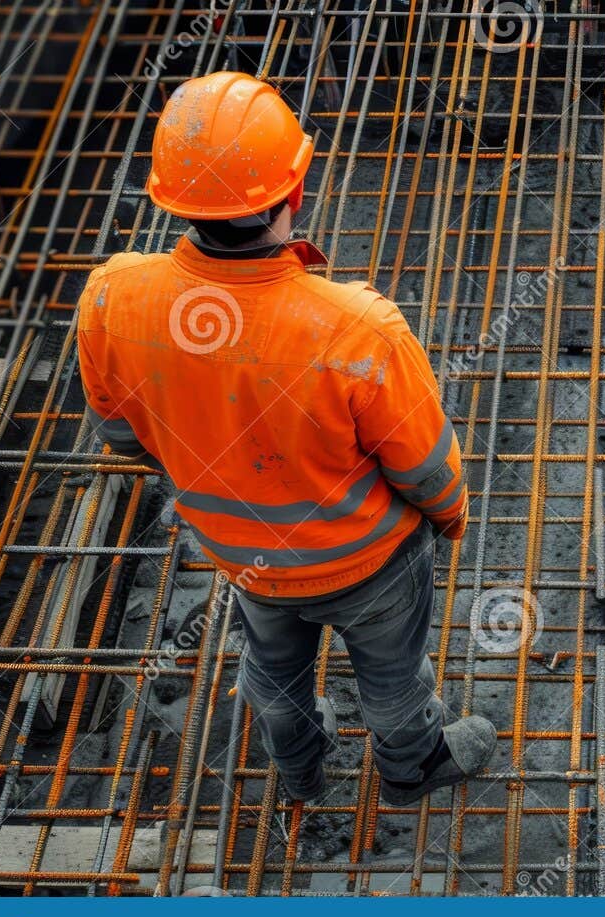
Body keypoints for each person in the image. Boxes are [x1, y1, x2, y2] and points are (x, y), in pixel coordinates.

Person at [75, 72, 495, 808]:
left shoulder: (112, 296)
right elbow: (426, 467)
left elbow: (122, 431)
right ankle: (409, 767)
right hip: (369, 560)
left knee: (273, 675)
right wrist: (451, 516)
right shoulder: (356, 326)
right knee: (393, 678)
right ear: (294, 191)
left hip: (245, 556)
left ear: (168, 194)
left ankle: (299, 772)